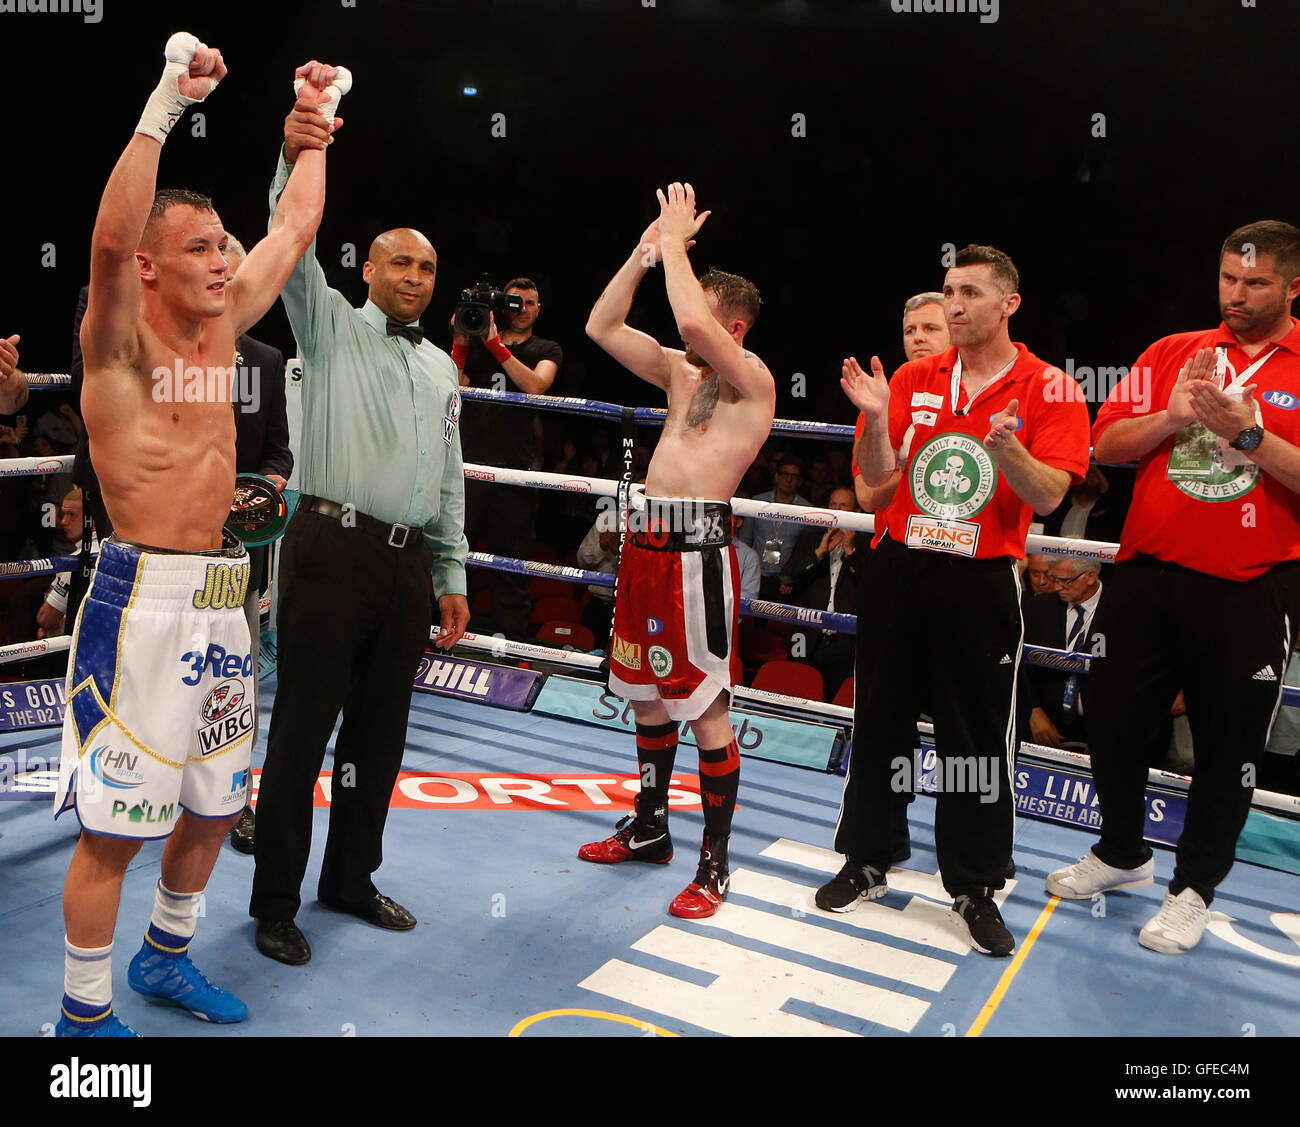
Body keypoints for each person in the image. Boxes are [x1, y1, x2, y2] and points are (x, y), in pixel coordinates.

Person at [52, 39, 338, 1037]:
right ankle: (82, 1020)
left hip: (227, 598)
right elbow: (102, 247)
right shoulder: (117, 339)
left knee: (215, 806)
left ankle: (165, 959)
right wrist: (167, 102)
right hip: (141, 607)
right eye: (201, 248)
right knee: (116, 829)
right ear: (148, 267)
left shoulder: (227, 329)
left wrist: (316, 121)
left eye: (225, 243)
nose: (224, 260)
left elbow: (296, 228)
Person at [249, 100, 470, 967]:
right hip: (329, 548)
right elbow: (288, 238)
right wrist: (297, 146)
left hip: (405, 564)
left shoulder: (443, 363)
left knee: (378, 740)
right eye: (401, 262)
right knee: (301, 732)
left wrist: (450, 570)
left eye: (427, 267)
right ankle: (274, 902)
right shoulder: (330, 322)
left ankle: (348, 878)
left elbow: (447, 476)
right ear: (370, 267)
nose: (416, 277)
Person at [826, 244, 1091, 957]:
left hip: (979, 579)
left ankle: (974, 883)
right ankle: (868, 857)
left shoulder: (1050, 388)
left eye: (971, 291)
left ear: (1009, 303)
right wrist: (879, 421)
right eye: (949, 290)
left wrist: (1009, 452)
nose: (955, 304)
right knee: (879, 718)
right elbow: (877, 488)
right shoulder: (912, 376)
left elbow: (1050, 495)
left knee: (973, 739)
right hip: (900, 567)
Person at [1047, 220, 1300, 953]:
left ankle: (1194, 889)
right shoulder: (1174, 352)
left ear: (1291, 286)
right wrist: (1171, 416)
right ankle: (1123, 851)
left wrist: (1252, 437)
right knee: (1116, 720)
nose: (1236, 295)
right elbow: (1105, 442)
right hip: (1150, 574)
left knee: (1227, 746)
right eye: (1227, 278)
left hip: (1250, 586)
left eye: (1254, 283)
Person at [580, 182, 774, 918]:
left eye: (698, 308)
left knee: (704, 707)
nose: (687, 321)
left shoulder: (752, 384)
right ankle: (650, 827)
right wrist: (644, 254)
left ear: (735, 326)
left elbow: (692, 324)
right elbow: (601, 324)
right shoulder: (677, 373)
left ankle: (714, 864)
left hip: (698, 560)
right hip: (645, 550)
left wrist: (674, 248)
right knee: (647, 696)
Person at [218, 234, 294, 855]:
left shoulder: (265, 360)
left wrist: (264, 486)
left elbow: (279, 450)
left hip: (237, 551)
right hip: (163, 549)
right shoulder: (158, 349)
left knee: (237, 684)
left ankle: (234, 801)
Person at [454, 278, 562, 640]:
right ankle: (433, 629)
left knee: (510, 563)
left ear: (539, 308)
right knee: (451, 551)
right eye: (516, 303)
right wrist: (461, 339)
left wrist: (495, 344)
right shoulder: (478, 342)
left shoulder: (547, 348)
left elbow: (535, 385)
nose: (523, 309)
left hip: (515, 471)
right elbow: (452, 382)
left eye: (530, 303)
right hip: (468, 465)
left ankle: (511, 646)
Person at [782, 486, 867, 700]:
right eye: (833, 505)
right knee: (798, 696)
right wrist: (819, 553)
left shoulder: (867, 544)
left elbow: (873, 588)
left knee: (839, 702)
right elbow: (787, 577)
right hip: (805, 637)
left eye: (843, 505)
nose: (836, 510)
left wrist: (850, 551)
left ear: (856, 512)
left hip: (846, 643)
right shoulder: (810, 538)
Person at [1020, 556, 1102, 750]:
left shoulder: (1120, 611)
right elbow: (1016, 663)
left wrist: (1103, 731)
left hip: (1100, 730)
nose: (1056, 587)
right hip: (1040, 727)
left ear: (1090, 577)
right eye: (1054, 578)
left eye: (1064, 581)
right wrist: (1032, 709)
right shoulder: (1037, 608)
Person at [738, 454, 811, 598]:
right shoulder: (757, 502)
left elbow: (805, 551)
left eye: (794, 476)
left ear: (800, 481)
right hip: (755, 574)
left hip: (786, 581)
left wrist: (792, 578)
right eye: (785, 474)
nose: (788, 479)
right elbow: (744, 541)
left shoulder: (807, 510)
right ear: (777, 476)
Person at [36, 489, 98, 638]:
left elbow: (46, 618)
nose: (64, 521)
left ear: (93, 519)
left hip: (70, 646)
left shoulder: (76, 561)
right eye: (64, 514)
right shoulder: (112, 550)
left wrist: (47, 629)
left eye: (72, 515)